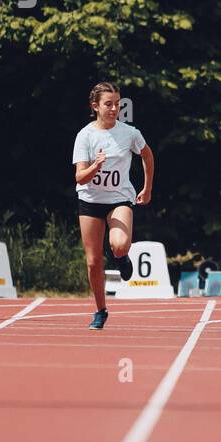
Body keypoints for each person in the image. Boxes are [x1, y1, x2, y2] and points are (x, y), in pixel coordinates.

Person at [73, 82, 153, 330]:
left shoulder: (129, 133)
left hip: (119, 198)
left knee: (118, 244)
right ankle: (100, 310)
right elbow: (79, 177)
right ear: (95, 106)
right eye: (109, 104)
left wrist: (147, 188)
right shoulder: (85, 135)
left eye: (117, 103)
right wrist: (95, 167)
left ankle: (122, 255)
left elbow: (147, 156)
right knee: (94, 261)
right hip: (90, 200)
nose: (114, 108)